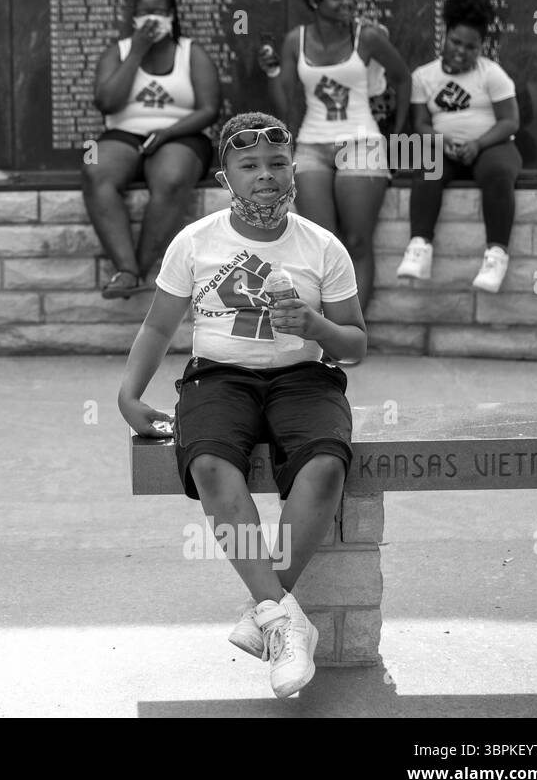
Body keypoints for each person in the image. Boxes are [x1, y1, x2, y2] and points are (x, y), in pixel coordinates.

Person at [117, 111, 367, 699]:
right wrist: (129, 393)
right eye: (248, 165)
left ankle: (269, 609)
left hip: (303, 375)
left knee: (325, 463)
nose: (265, 176)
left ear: (294, 170)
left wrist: (314, 324)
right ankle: (283, 620)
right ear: (225, 174)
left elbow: (355, 346)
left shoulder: (321, 246)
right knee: (209, 461)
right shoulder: (196, 241)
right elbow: (158, 327)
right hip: (219, 377)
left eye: (277, 164)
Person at [260, 0, 409, 348]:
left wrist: (397, 133)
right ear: (315, 3)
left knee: (357, 242)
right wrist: (274, 72)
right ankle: (326, 335)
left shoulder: (369, 36)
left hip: (361, 142)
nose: (347, 5)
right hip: (312, 143)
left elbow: (403, 78)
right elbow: (286, 100)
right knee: (324, 245)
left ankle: (351, 338)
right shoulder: (297, 39)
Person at [84, 0, 221, 299]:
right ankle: (126, 270)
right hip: (124, 133)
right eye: (145, 12)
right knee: (95, 169)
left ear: (171, 14)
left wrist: (169, 132)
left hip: (181, 133)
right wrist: (137, 52)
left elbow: (209, 108)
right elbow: (106, 101)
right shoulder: (117, 52)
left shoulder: (191, 52)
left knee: (172, 178)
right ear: (133, 16)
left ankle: (140, 268)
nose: (151, 18)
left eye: (158, 11)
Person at [397, 0, 522, 292]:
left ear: (481, 47)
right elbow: (421, 124)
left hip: (491, 146)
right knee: (427, 165)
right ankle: (419, 246)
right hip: (444, 148)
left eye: (471, 47)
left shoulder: (492, 74)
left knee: (497, 173)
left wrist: (477, 144)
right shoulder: (423, 77)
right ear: (445, 34)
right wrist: (442, 142)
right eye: (456, 42)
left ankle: (496, 255)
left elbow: (510, 121)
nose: (461, 51)